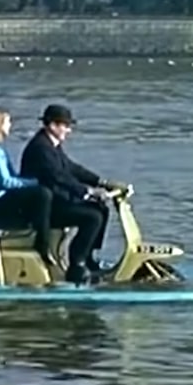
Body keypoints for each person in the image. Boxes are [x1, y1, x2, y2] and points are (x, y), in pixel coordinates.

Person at [20, 104, 128, 284]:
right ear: (53, 126)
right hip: (46, 208)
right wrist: (87, 191)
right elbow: (58, 177)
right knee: (92, 217)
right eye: (66, 126)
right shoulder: (41, 148)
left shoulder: (52, 144)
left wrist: (101, 182)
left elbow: (71, 168)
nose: (69, 131)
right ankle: (76, 265)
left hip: (58, 200)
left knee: (101, 209)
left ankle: (89, 258)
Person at [0, 106, 55, 265]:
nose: (10, 125)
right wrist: (37, 182)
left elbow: (13, 178)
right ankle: (42, 245)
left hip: (1, 196)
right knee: (42, 194)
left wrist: (30, 181)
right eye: (8, 122)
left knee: (41, 194)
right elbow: (7, 182)